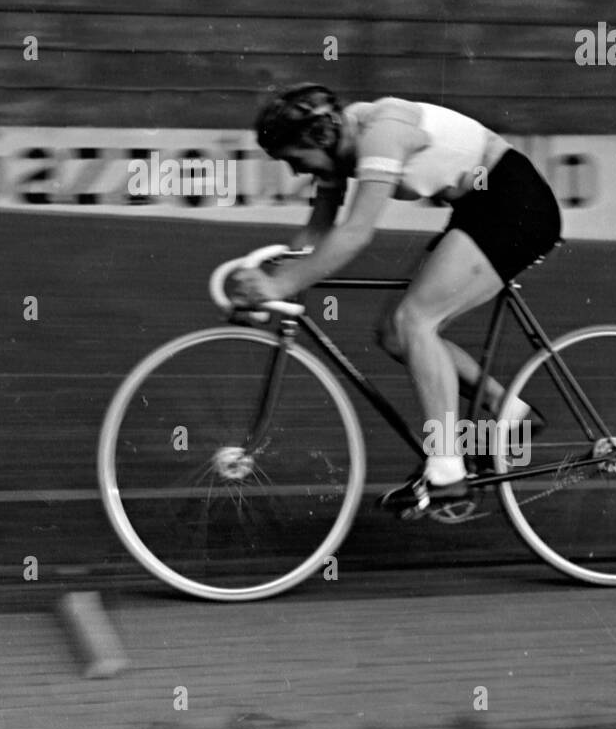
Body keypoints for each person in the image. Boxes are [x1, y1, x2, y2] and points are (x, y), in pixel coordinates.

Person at [233, 83, 563, 515]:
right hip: (482, 207)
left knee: (416, 321)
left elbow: (355, 233)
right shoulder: (336, 145)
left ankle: (447, 473)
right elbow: (315, 237)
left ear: (320, 136)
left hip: (515, 204)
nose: (296, 171)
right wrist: (271, 285)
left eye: (295, 159)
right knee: (394, 333)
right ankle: (511, 415)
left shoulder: (382, 132)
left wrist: (277, 286)